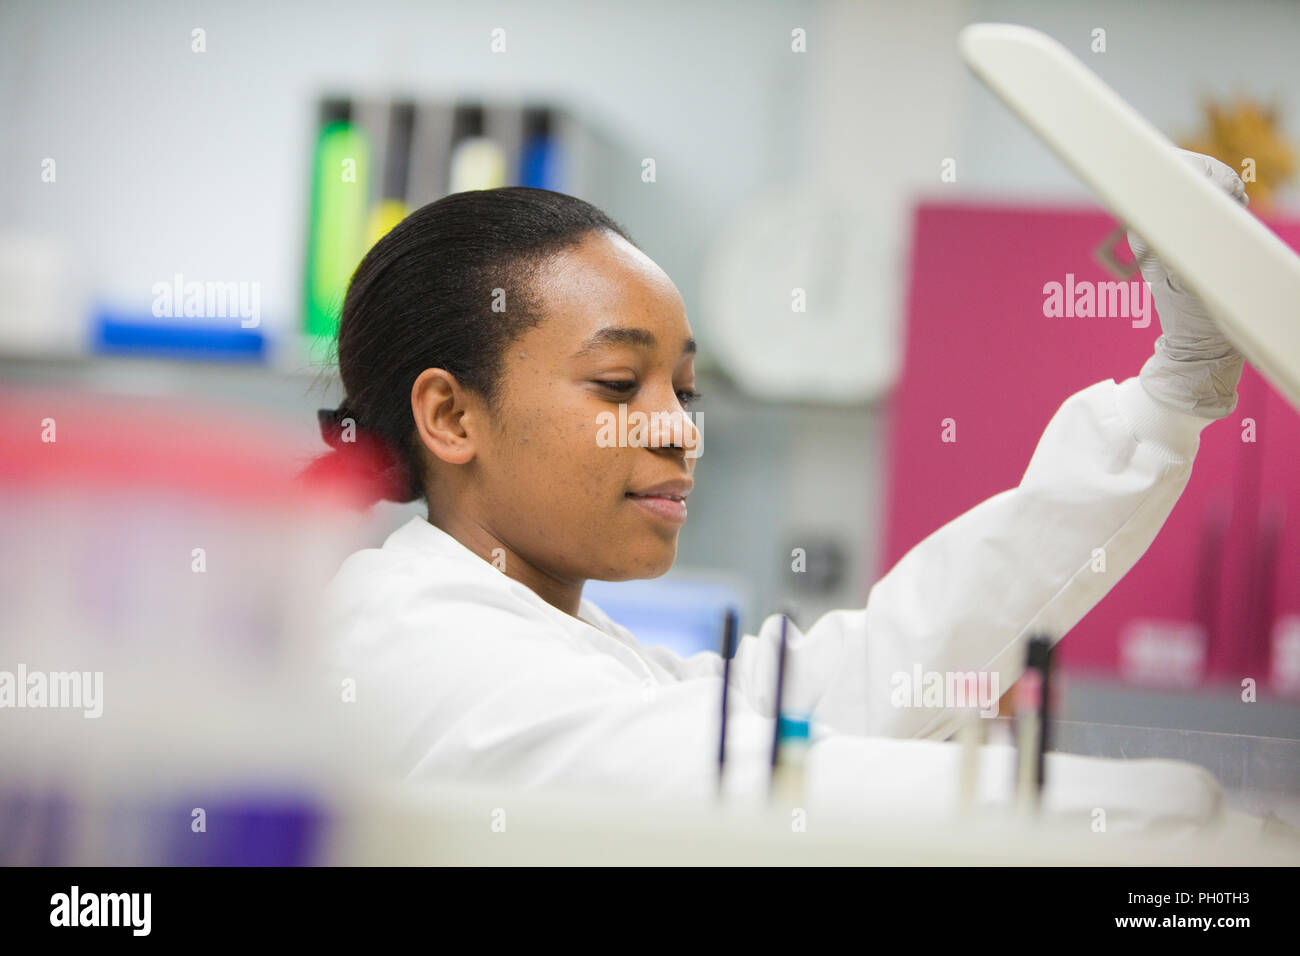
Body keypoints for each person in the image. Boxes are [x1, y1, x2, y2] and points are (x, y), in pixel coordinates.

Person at [312, 153, 1247, 830]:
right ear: (451, 417)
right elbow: (768, 789)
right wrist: (1198, 826)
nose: (680, 429)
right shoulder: (425, 649)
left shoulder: (559, 639)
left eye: (685, 390)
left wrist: (1171, 394)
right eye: (615, 385)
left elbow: (880, 667)